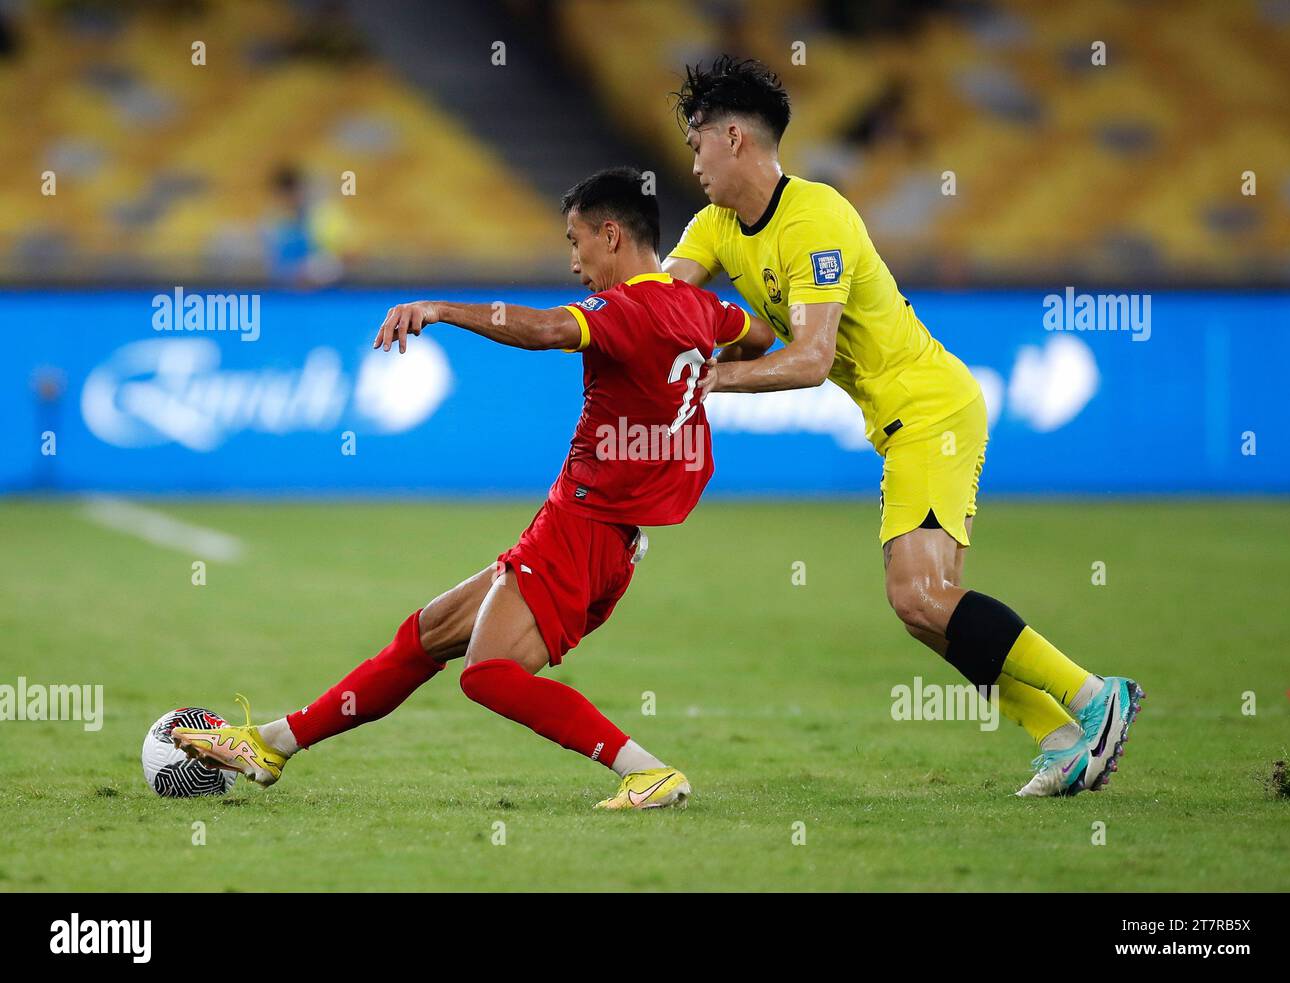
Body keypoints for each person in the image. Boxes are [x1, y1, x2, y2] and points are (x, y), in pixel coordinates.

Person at [173, 166, 774, 809]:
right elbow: (761, 337)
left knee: (488, 676)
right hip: (599, 533)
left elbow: (545, 331)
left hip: (583, 527)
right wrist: (701, 373)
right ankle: (270, 745)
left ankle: (646, 770)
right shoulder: (701, 307)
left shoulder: (629, 308)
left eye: (575, 243)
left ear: (611, 234)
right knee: (425, 637)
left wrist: (440, 309)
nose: (574, 263)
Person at [662, 57, 1142, 796]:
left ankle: (1091, 695)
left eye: (696, 143)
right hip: (904, 420)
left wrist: (713, 378)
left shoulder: (817, 216)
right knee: (926, 608)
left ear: (734, 138)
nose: (691, 162)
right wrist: (593, 327)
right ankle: (1060, 733)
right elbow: (657, 304)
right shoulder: (715, 226)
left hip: (930, 408)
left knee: (918, 594)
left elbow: (813, 357)